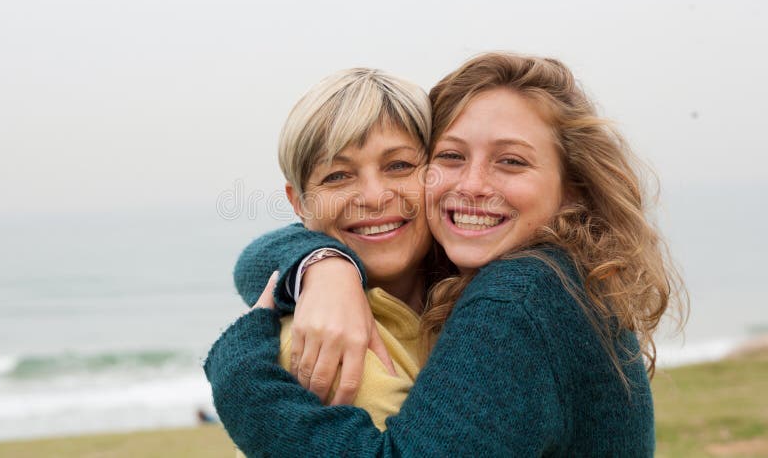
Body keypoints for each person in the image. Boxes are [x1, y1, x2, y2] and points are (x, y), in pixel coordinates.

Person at [206, 53, 684, 456]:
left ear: (572, 189)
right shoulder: (505, 278)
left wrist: (241, 378)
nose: (472, 184)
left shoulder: (517, 298)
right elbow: (267, 251)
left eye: (511, 161)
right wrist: (321, 266)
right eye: (452, 156)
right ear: (300, 201)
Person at [225, 66, 444, 444]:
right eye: (337, 176)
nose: (374, 196)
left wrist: (324, 264)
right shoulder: (320, 342)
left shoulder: (474, 285)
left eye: (399, 165)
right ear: (299, 203)